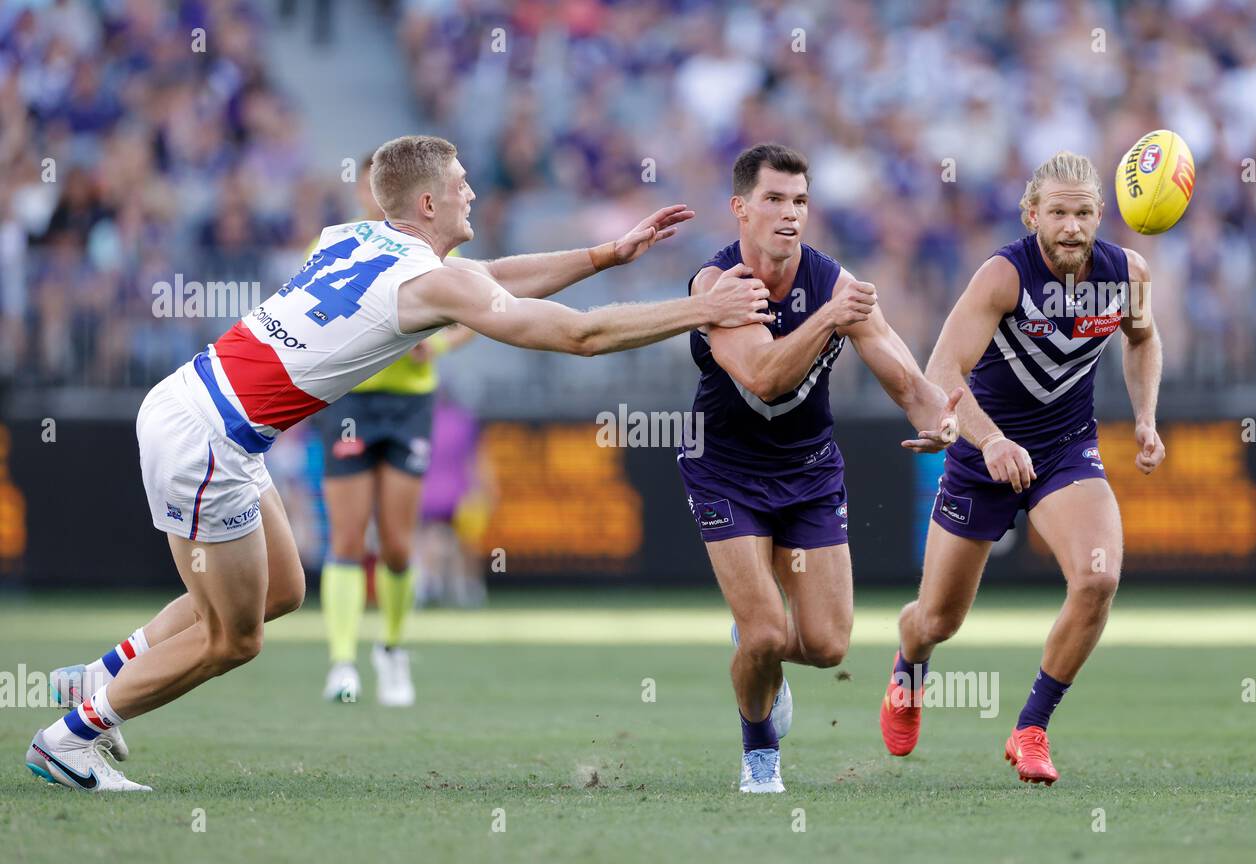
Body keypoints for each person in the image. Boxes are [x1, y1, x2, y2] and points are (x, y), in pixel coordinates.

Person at [29, 134, 769, 793]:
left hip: (200, 406)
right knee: (236, 636)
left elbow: (487, 280)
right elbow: (577, 337)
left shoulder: (351, 235)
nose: (472, 191)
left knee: (282, 590)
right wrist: (699, 309)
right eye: (460, 183)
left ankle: (104, 673)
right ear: (427, 201)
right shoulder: (424, 279)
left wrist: (602, 256)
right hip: (209, 437)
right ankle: (72, 737)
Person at [680, 144, 960, 794]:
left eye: (800, 201)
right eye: (774, 200)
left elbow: (900, 370)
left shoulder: (831, 280)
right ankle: (759, 756)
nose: (789, 214)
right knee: (768, 631)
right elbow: (764, 376)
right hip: (726, 472)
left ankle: (754, 644)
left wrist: (938, 420)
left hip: (808, 472)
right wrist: (829, 318)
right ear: (740, 210)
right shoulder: (716, 285)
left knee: (829, 644)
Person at [879, 151, 1165, 786]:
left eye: (1084, 212)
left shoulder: (1126, 273)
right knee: (938, 621)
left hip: (1065, 449)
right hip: (984, 455)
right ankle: (908, 661)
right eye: (1058, 212)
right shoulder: (1004, 275)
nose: (1071, 226)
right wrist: (991, 442)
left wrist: (1145, 416)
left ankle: (1031, 728)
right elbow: (942, 371)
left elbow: (1142, 339)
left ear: (1100, 216)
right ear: (1032, 214)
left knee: (1097, 579)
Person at [315, 153, 473, 707]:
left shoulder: (433, 252)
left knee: (400, 544)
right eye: (365, 190)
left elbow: (475, 317)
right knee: (348, 538)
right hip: (351, 400)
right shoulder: (338, 241)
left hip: (408, 404)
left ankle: (392, 647)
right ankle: (341, 660)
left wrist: (441, 344)